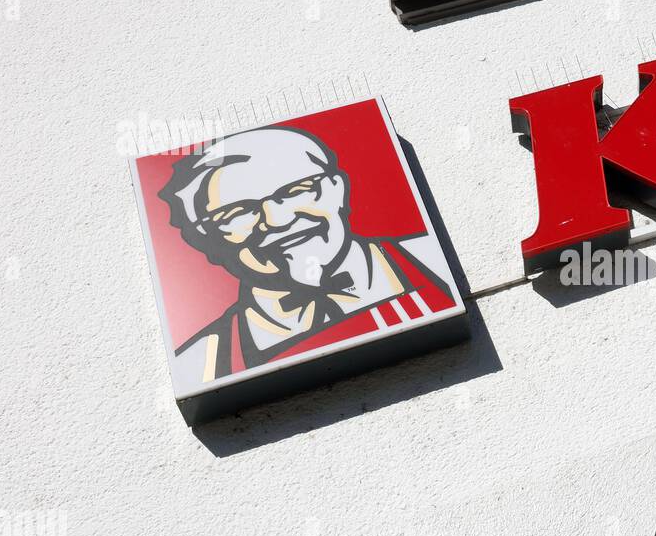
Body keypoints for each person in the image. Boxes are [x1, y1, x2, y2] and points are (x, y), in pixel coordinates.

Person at [160, 126, 456, 383]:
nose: (278, 220)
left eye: (296, 190)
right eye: (237, 212)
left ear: (337, 189)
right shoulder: (200, 364)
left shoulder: (435, 265)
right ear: (205, 241)